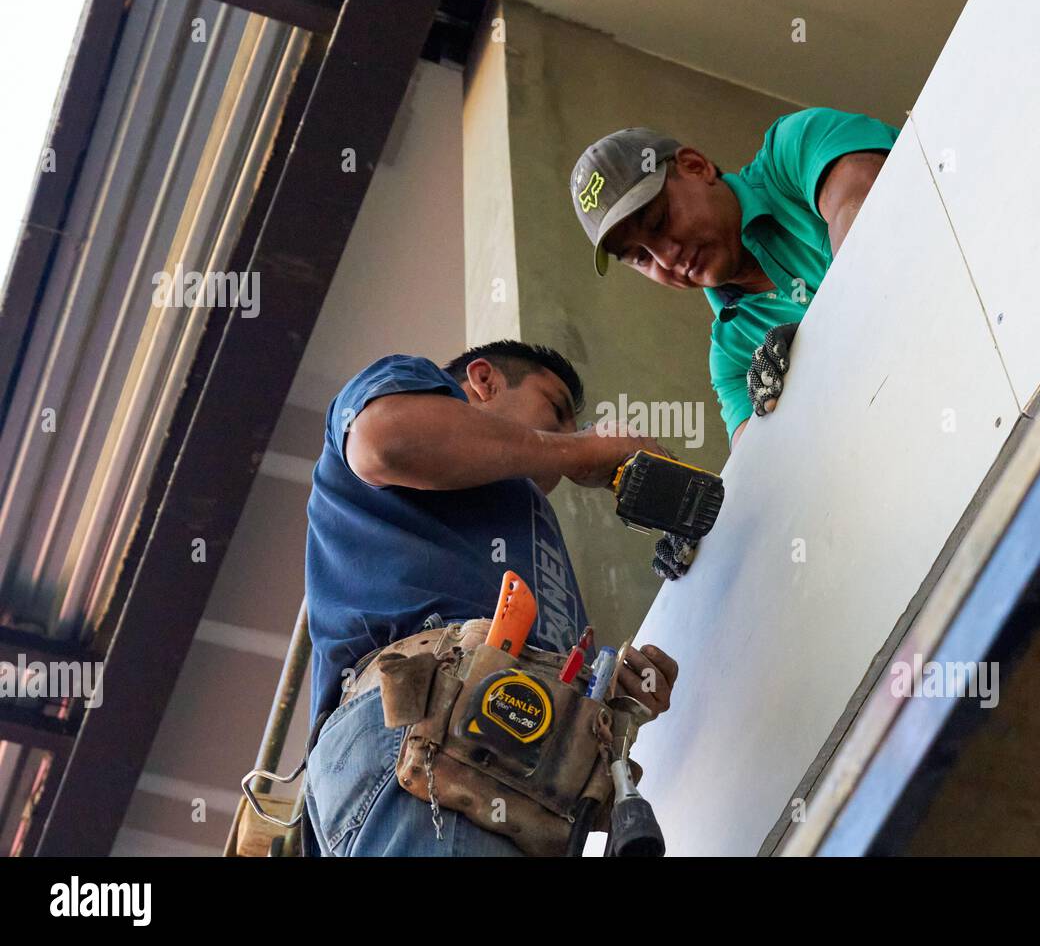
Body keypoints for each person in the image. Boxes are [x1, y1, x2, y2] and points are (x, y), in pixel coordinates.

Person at [302, 342, 678, 856]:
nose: (567, 435)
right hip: (417, 733)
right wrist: (584, 449)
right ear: (484, 381)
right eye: (556, 409)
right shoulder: (403, 382)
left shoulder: (522, 521)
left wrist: (615, 691)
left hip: (507, 777)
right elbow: (382, 441)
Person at [570, 107, 898, 578]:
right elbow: (764, 476)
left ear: (696, 166)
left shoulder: (794, 149)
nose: (667, 257)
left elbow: (874, 220)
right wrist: (706, 541)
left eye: (660, 221)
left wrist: (821, 342)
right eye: (639, 258)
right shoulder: (732, 359)